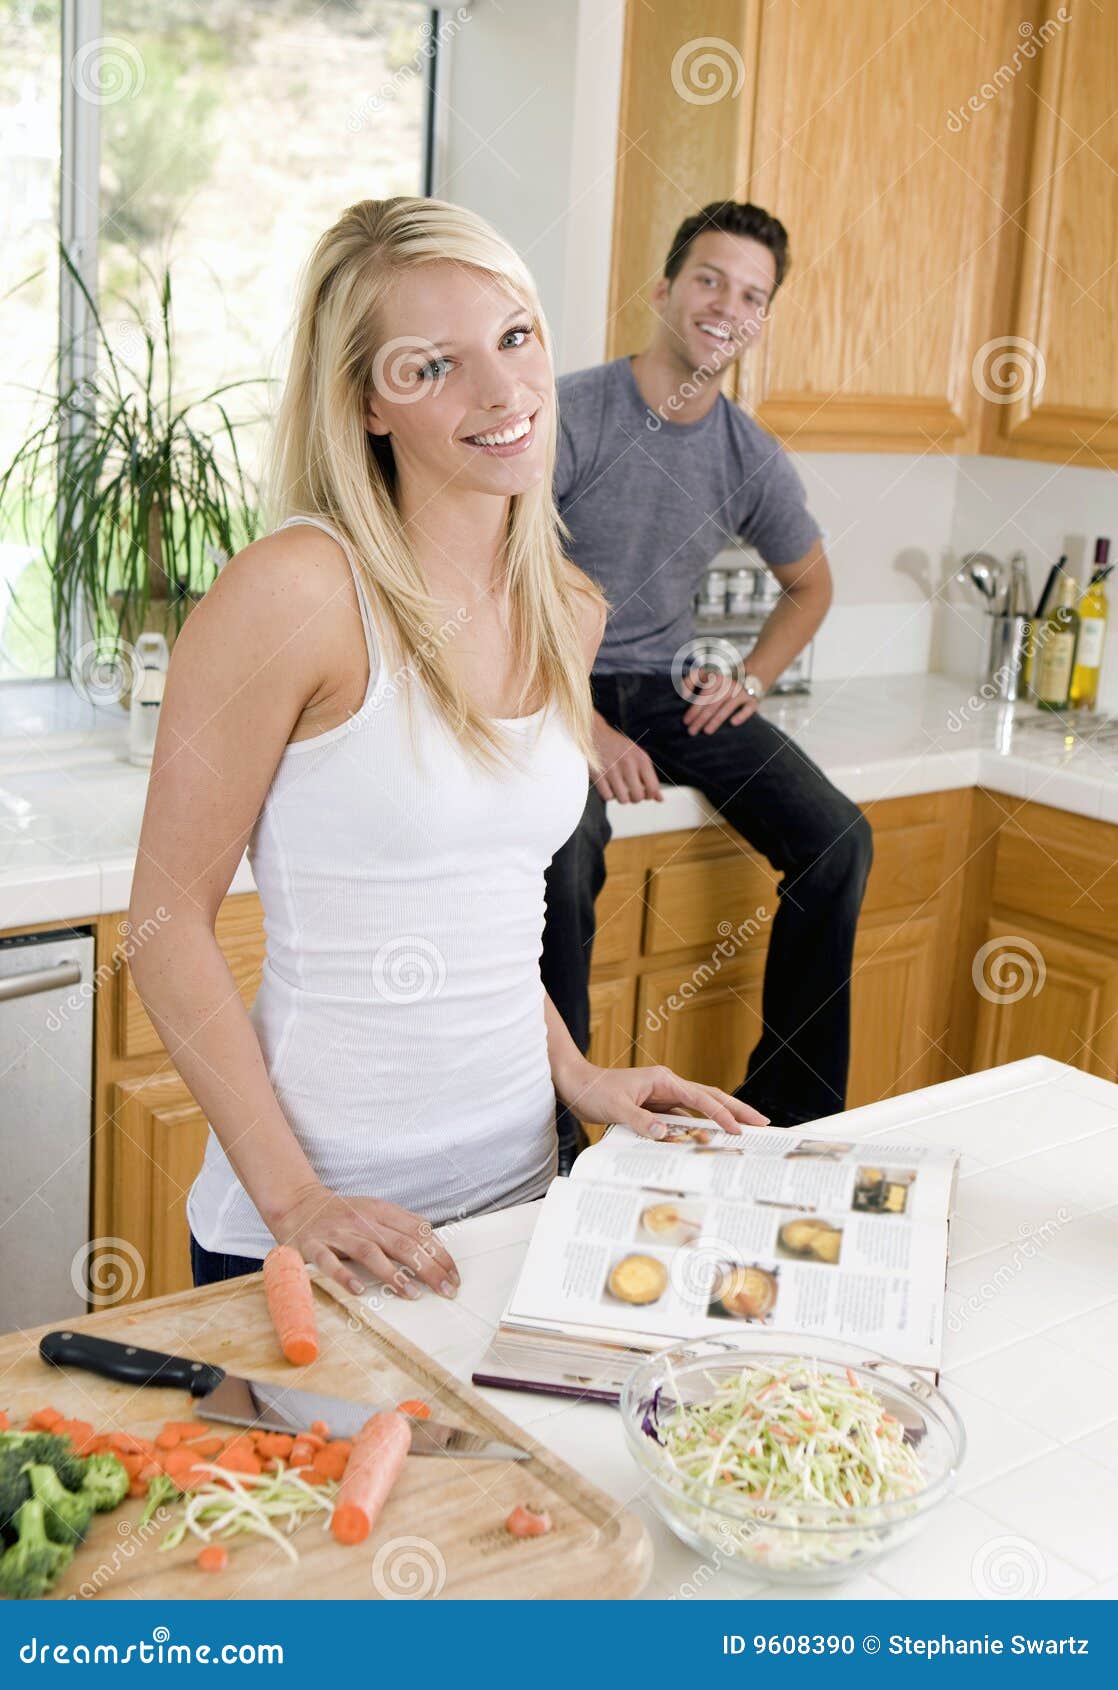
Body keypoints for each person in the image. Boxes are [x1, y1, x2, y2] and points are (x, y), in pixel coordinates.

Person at [127, 197, 769, 1300]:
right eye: (431, 367)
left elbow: (486, 907)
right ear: (365, 405)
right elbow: (162, 924)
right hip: (317, 1222)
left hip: (515, 1198)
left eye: (513, 337)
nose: (500, 392)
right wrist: (296, 1204)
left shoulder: (568, 608)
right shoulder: (297, 591)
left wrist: (578, 1076)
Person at [541, 200, 873, 1157]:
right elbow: (500, 574)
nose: (730, 305)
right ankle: (559, 1133)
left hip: (674, 687)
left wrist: (752, 680)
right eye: (711, 280)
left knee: (838, 840)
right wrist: (581, 726)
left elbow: (809, 585)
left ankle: (788, 1115)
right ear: (664, 291)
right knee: (563, 853)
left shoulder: (748, 454)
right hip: (555, 686)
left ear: (763, 319)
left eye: (753, 295)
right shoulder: (573, 414)